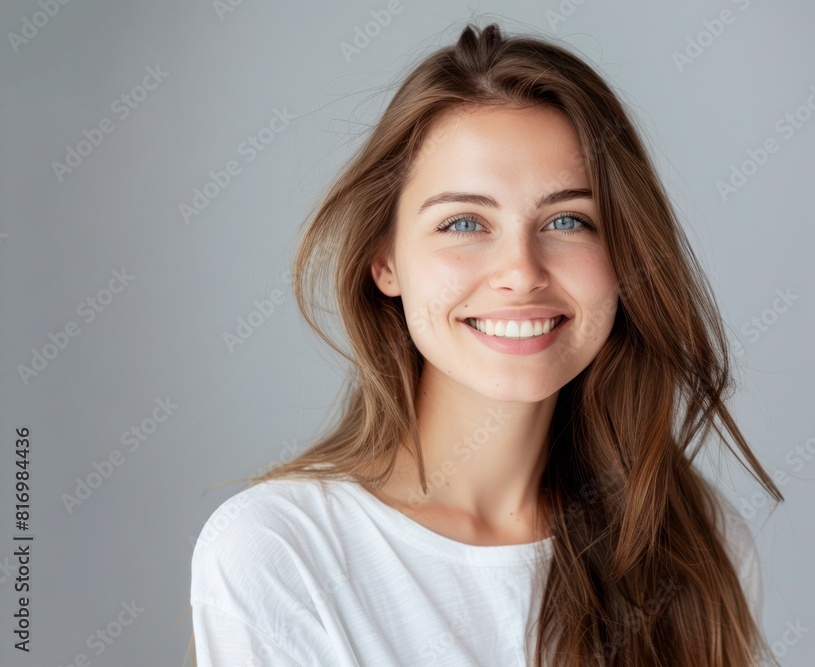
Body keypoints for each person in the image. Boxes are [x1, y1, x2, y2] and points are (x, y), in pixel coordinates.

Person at [188, 21, 783, 667]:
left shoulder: (696, 542)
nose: (522, 270)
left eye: (567, 220)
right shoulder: (279, 551)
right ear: (384, 260)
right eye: (464, 222)